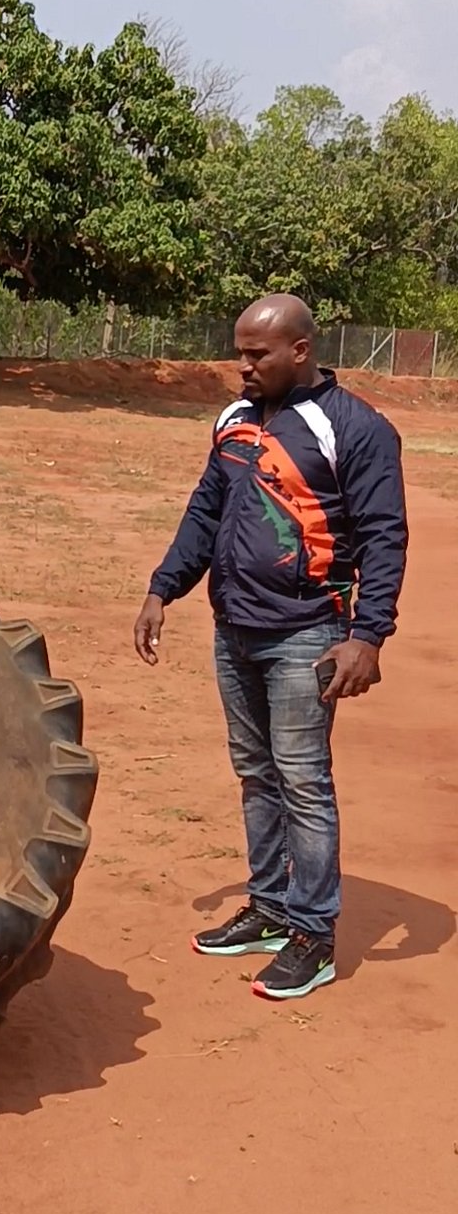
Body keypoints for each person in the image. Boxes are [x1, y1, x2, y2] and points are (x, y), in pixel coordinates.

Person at [132, 295, 408, 1000]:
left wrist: (367, 636)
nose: (243, 366)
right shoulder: (234, 419)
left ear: (301, 350)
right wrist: (165, 587)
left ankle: (313, 935)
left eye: (258, 354)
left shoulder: (356, 428)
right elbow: (206, 509)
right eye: (240, 351)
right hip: (237, 629)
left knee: (304, 783)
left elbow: (383, 536)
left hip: (309, 632)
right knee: (256, 772)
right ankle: (270, 907)